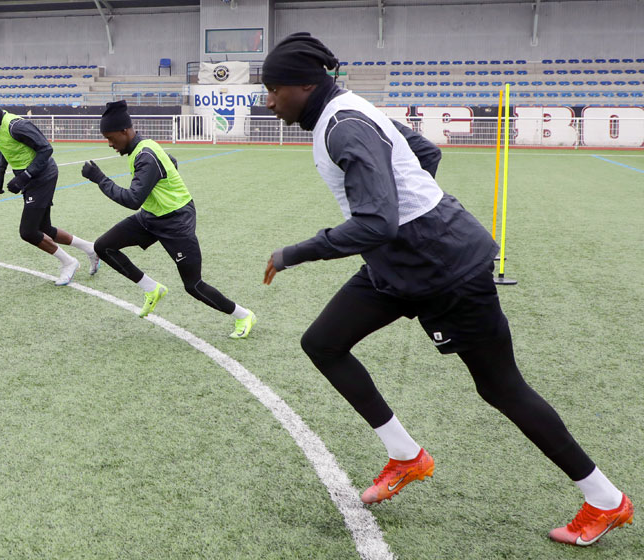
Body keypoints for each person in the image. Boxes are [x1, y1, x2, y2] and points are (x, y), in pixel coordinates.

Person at [260, 32, 632, 545]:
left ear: (304, 85)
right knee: (322, 343)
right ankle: (406, 456)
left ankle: (605, 500)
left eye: (273, 89)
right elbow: (423, 152)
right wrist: (415, 203)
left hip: (445, 265)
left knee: (501, 387)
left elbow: (376, 223)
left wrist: (294, 252)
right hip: (399, 265)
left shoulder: (344, 126)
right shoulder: (345, 109)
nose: (269, 101)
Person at [82, 100, 256, 338]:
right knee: (104, 246)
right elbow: (171, 162)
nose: (110, 144)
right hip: (152, 216)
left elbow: (133, 199)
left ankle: (243, 315)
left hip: (176, 222)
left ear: (125, 131)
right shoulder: (143, 147)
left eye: (111, 137)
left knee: (193, 285)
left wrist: (100, 178)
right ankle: (152, 289)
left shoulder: (145, 155)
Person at [0, 95, 98, 286]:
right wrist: (0, 174)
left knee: (28, 231)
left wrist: (24, 177)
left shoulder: (17, 125)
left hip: (43, 176)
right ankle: (90, 248)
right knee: (44, 228)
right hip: (32, 178)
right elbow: (5, 146)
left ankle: (69, 262)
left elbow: (46, 149)